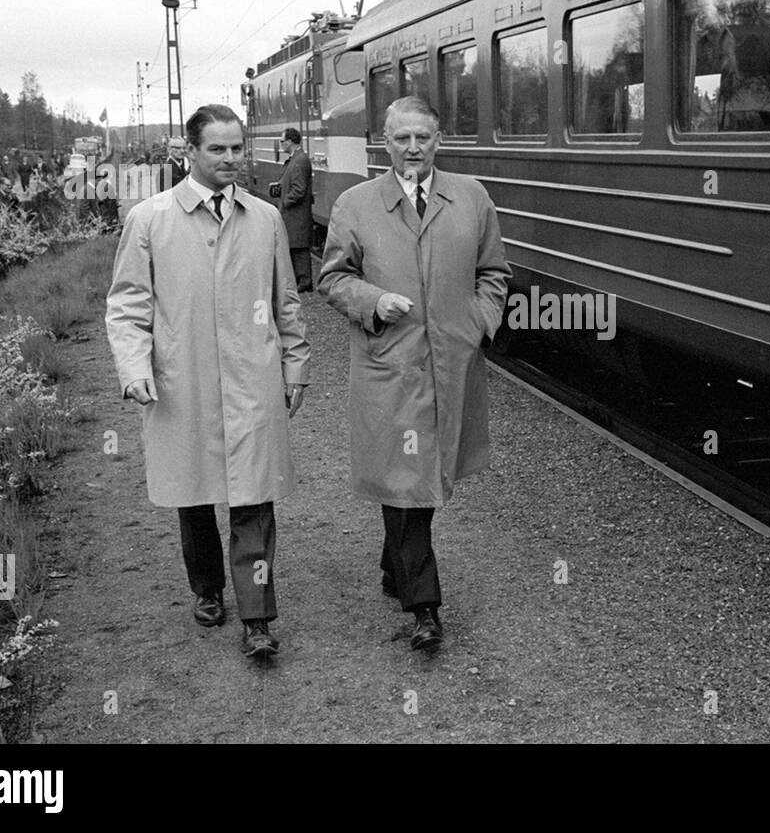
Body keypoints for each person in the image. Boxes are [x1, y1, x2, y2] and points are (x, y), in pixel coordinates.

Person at [105, 104, 310, 659]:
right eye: (217, 149)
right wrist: (134, 368)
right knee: (192, 492)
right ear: (190, 153)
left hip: (252, 377)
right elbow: (127, 305)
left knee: (254, 496)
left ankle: (258, 617)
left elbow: (284, 300)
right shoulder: (150, 220)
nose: (230, 159)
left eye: (237, 147)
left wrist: (295, 366)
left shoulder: (264, 218)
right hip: (183, 377)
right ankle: (208, 588)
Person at [318, 96, 510, 651]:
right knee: (407, 476)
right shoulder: (356, 205)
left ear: (438, 139)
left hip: (451, 364)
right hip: (391, 366)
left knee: (422, 475)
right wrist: (373, 302)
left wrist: (477, 323)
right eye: (401, 138)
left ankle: (392, 566)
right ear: (384, 141)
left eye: (422, 137)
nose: (412, 148)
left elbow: (494, 271)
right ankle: (424, 607)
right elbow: (332, 279)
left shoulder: (471, 198)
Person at [276, 127, 314, 292]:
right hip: (294, 214)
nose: (281, 145)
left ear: (290, 142)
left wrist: (285, 202)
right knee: (296, 247)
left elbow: (299, 189)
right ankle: (301, 280)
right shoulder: (296, 159)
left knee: (299, 248)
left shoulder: (299, 160)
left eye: (282, 141)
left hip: (296, 214)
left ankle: (305, 282)